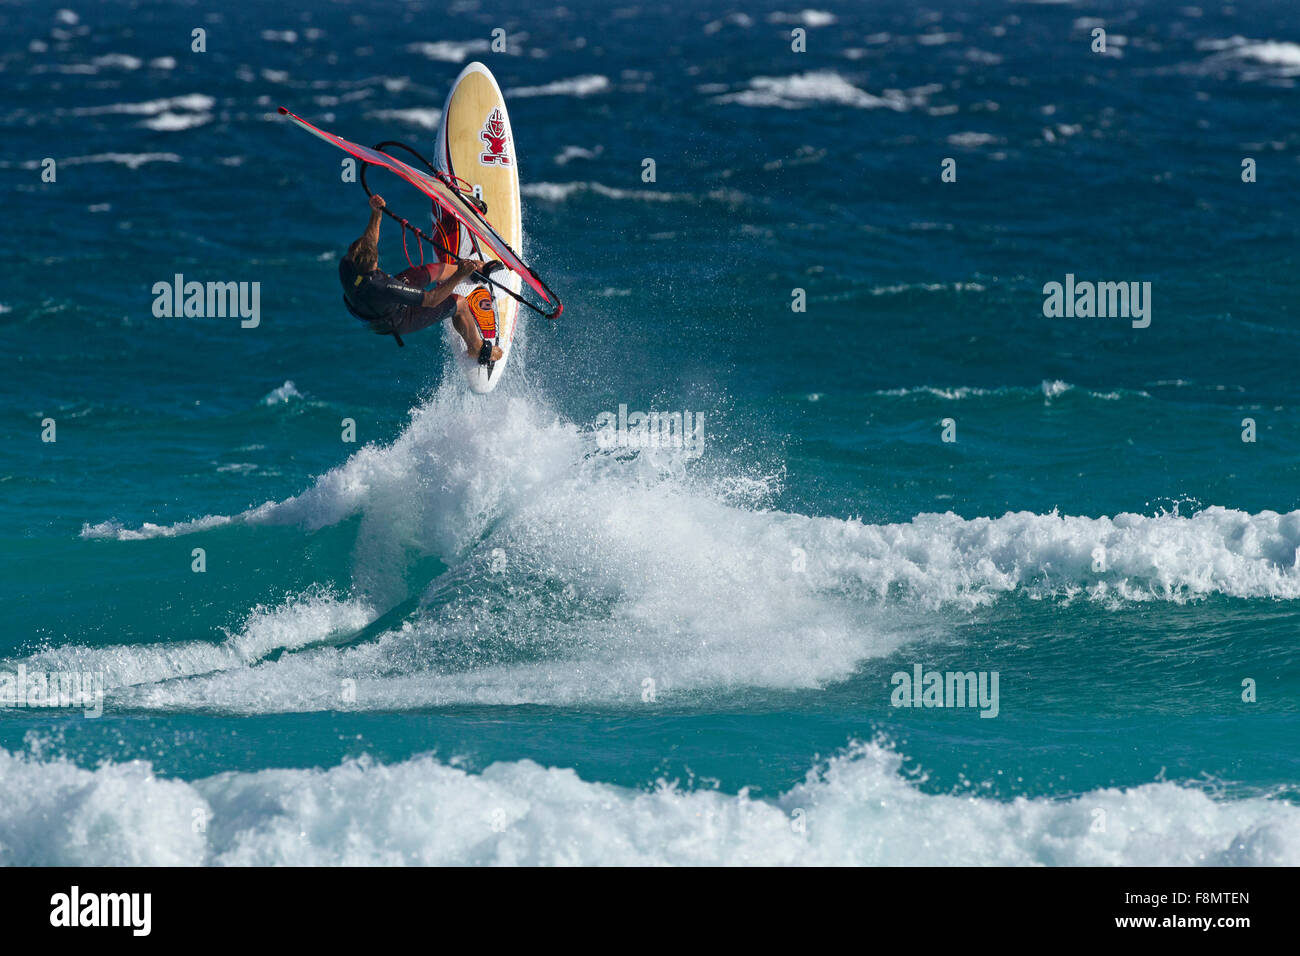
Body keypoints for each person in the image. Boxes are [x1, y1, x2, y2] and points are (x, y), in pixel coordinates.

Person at [339, 194, 503, 361]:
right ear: (373, 263)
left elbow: (369, 244)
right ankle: (475, 348)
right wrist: (459, 275)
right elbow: (431, 299)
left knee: (434, 269)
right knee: (459, 303)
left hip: (376, 302)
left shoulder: (347, 264)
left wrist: (376, 212)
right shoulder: (383, 287)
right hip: (396, 320)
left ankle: (474, 271)